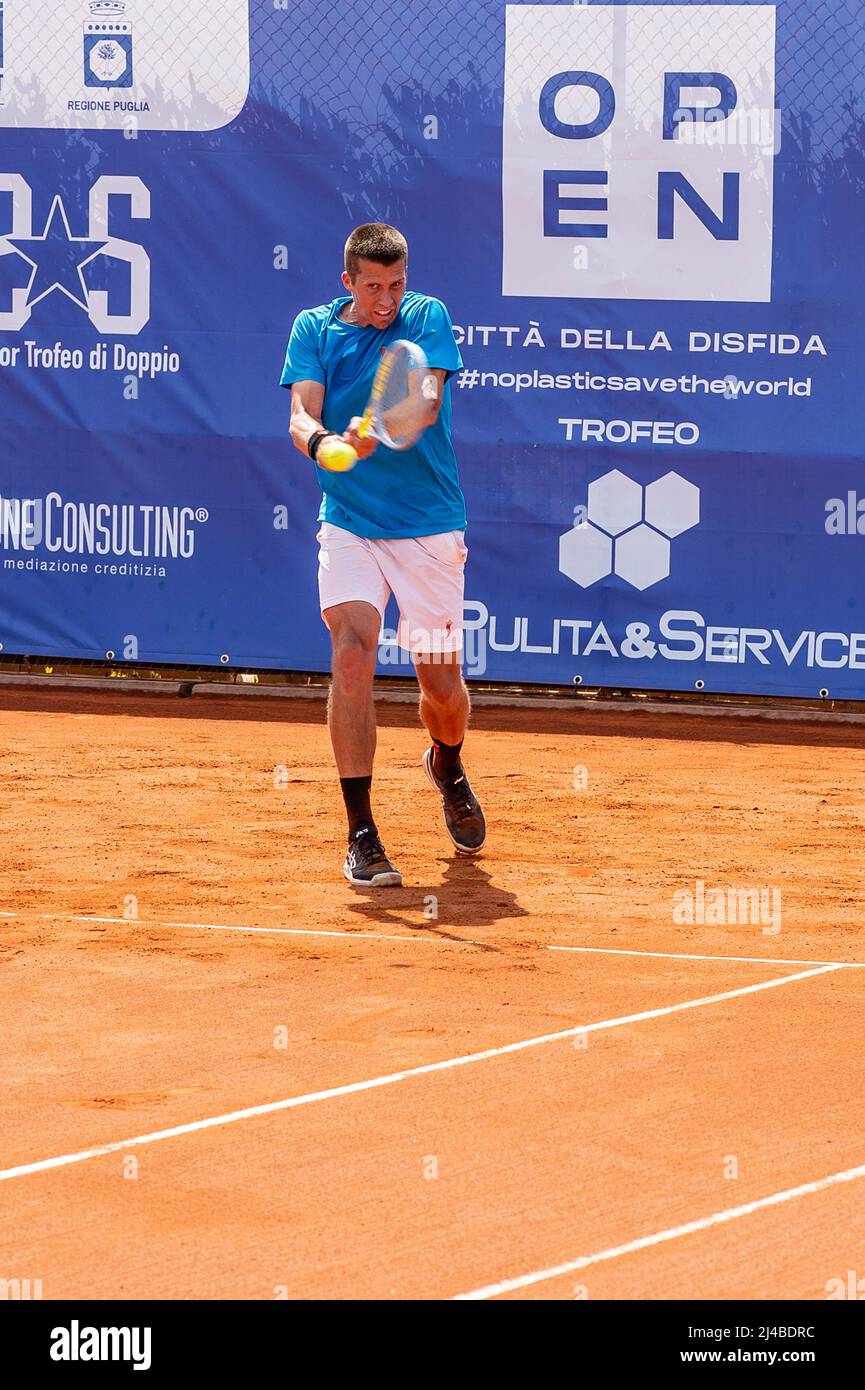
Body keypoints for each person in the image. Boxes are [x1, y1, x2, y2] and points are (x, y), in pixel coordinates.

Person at [280, 222, 485, 887]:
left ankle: (446, 762)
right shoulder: (312, 329)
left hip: (427, 525)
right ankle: (361, 832)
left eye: (395, 284)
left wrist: (373, 431)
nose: (385, 299)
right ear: (348, 282)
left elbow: (423, 403)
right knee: (351, 649)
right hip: (349, 522)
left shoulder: (426, 317)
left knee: (441, 689)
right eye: (372, 287)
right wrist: (322, 445)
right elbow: (299, 415)